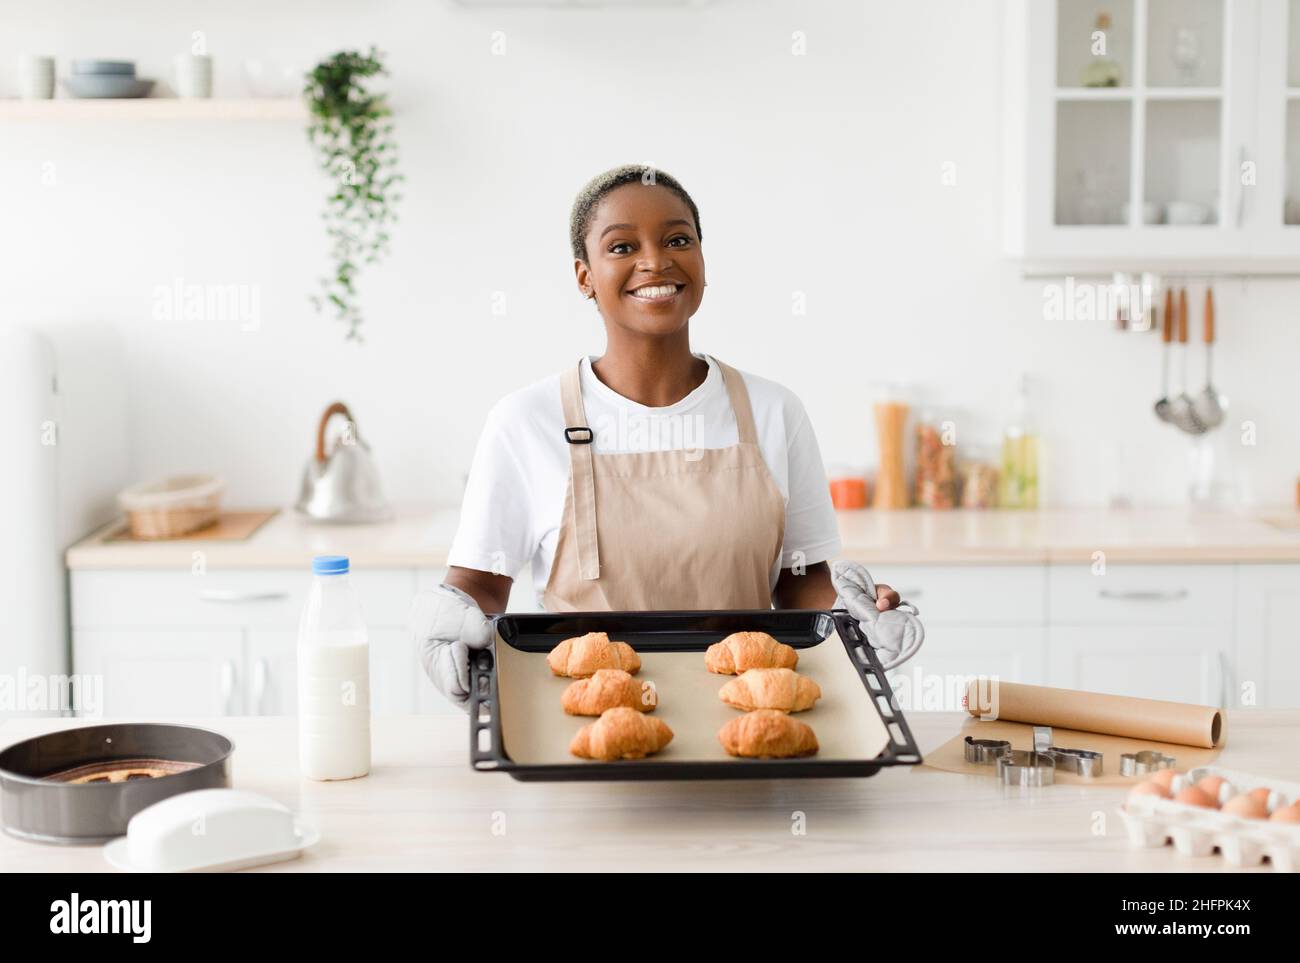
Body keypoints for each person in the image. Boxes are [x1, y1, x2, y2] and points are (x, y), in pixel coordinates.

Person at [412, 165, 922, 709]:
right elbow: (481, 588)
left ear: (702, 260)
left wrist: (857, 617)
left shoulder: (774, 411)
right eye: (622, 246)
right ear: (584, 277)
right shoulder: (524, 422)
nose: (655, 261)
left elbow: (800, 584)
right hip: (586, 729)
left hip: (752, 726)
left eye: (678, 239)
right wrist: (449, 622)